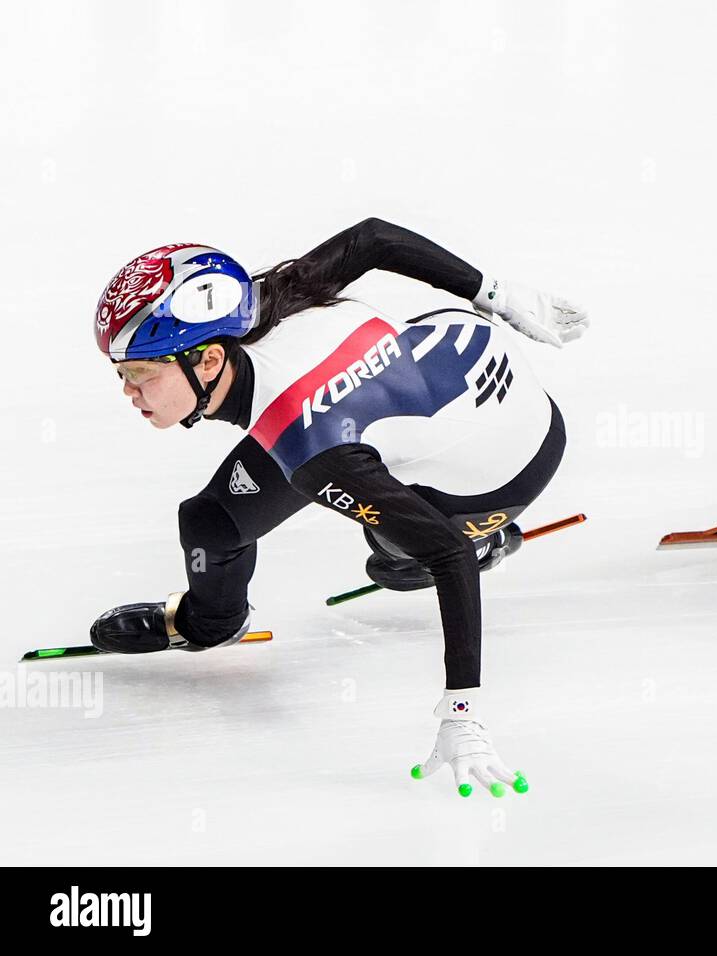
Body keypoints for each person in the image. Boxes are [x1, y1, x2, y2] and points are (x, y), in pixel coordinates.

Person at [90, 218, 587, 796]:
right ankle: (210, 622)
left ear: (207, 363)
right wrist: (494, 293)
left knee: (401, 548)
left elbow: (447, 555)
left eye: (140, 374)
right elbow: (373, 239)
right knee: (210, 523)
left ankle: (486, 536)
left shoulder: (315, 449)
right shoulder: (278, 296)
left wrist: (463, 713)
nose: (128, 391)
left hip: (505, 469)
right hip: (458, 371)